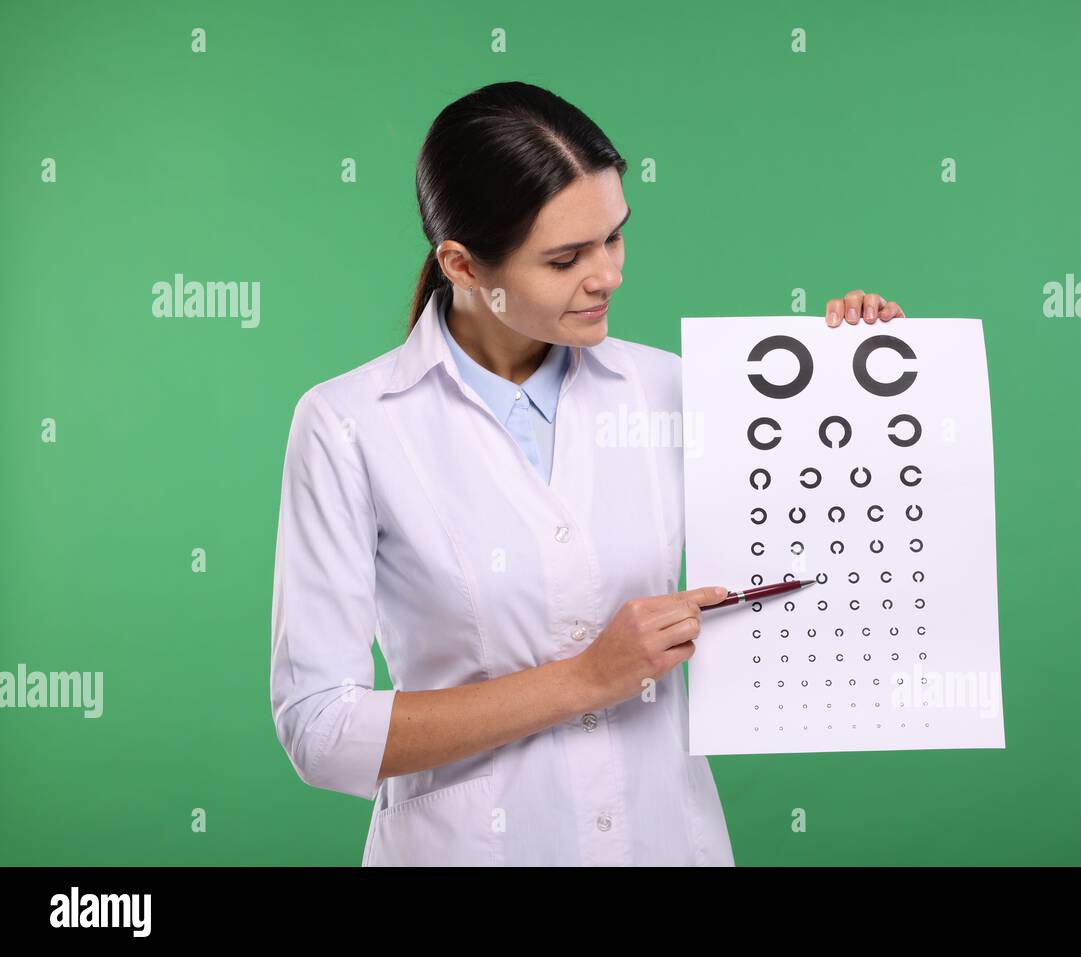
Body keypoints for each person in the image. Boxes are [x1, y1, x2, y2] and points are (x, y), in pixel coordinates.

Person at [269, 80, 906, 867]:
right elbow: (320, 730)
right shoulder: (349, 425)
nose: (608, 275)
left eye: (615, 237)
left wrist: (858, 366)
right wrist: (585, 678)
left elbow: (831, 542)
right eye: (566, 258)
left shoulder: (670, 387)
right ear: (463, 264)